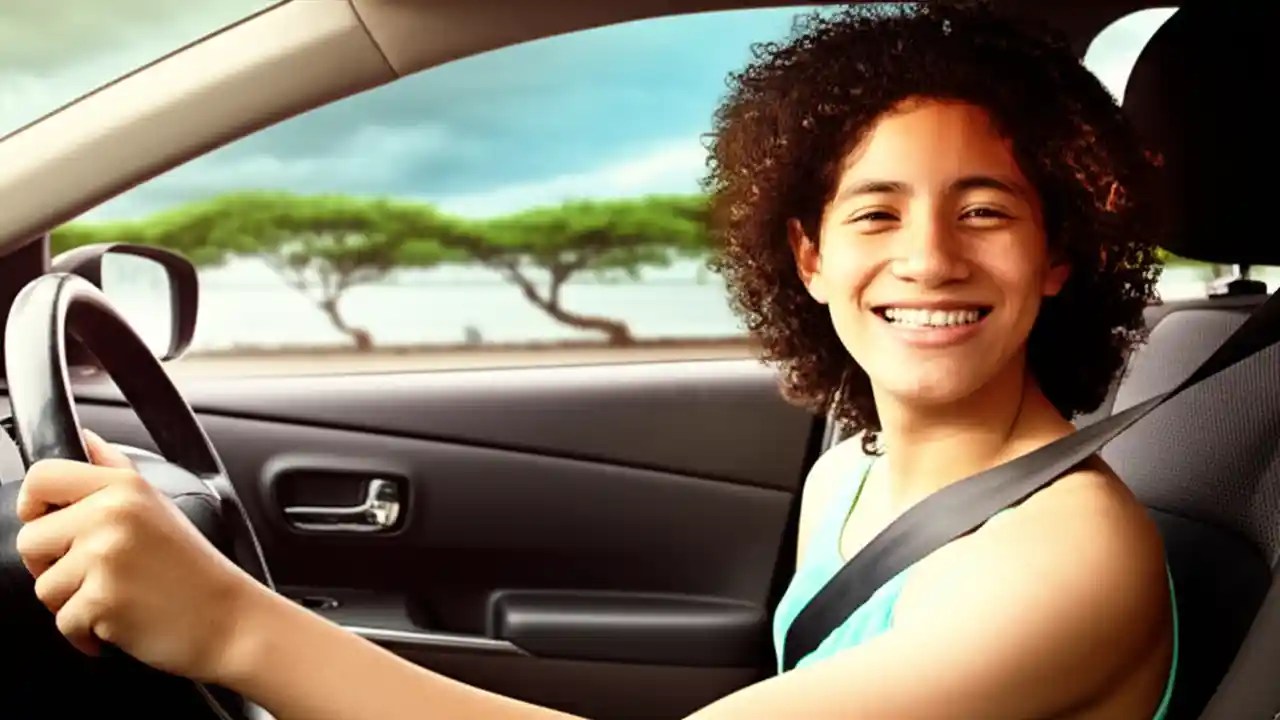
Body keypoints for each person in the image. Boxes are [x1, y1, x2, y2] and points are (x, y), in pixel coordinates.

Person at [12, 2, 1174, 718]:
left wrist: (228, 626)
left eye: (983, 213)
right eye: (874, 217)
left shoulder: (1061, 563)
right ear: (807, 258)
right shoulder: (851, 472)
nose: (926, 260)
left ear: (1057, 255)